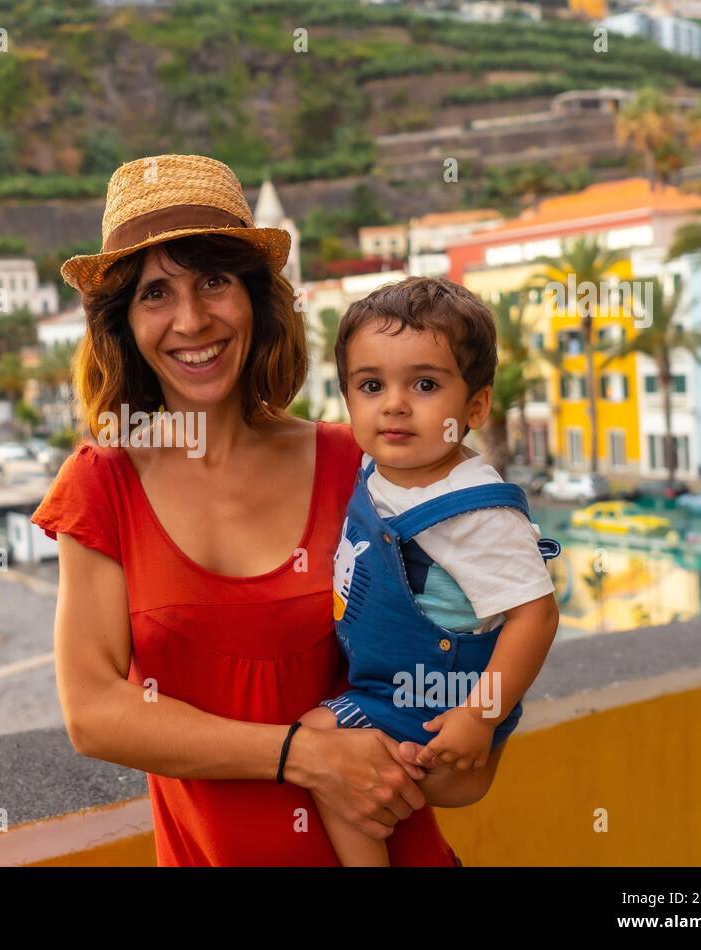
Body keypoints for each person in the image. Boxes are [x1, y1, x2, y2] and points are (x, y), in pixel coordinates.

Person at [31, 154, 461, 866]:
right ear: (124, 323)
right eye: (156, 293)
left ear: (256, 299)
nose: (192, 320)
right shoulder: (102, 483)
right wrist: (304, 757)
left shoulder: (353, 463)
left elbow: (446, 650)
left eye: (214, 281)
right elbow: (94, 713)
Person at [296, 276, 561, 866]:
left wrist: (478, 716)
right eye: (371, 385)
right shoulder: (379, 473)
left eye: (424, 384)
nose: (394, 403)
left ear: (475, 406)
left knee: (316, 747)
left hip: (438, 721)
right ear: (348, 401)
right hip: (393, 695)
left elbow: (535, 617)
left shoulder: (476, 513)